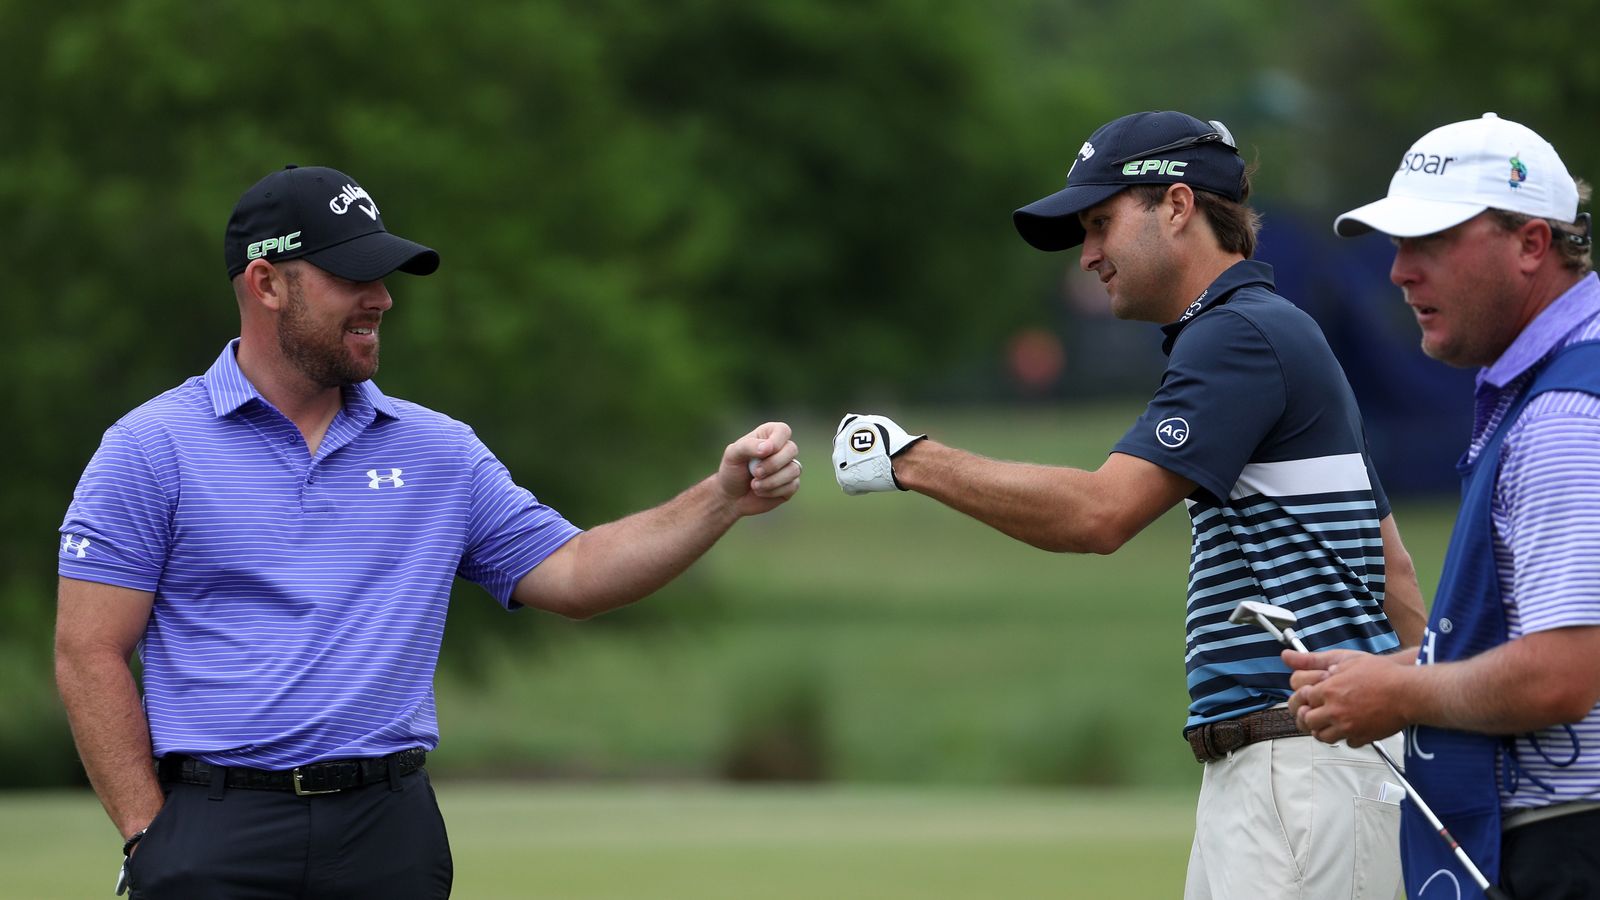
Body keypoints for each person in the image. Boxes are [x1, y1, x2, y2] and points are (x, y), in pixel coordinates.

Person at [54, 164, 802, 899]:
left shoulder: (438, 451)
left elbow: (575, 573)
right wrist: (149, 837)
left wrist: (720, 499)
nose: (380, 299)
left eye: (383, 278)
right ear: (267, 283)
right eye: (351, 276)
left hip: (387, 835)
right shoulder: (151, 448)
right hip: (217, 830)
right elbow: (89, 650)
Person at [832, 110, 1425, 900]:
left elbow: (1098, 515)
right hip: (1293, 773)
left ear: (1177, 207)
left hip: (1296, 772)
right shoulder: (1274, 333)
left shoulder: (1239, 334)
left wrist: (909, 459)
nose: (1089, 256)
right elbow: (1397, 581)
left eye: (1101, 223)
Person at [1289, 113, 1600, 900]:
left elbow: (1563, 675)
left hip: (1573, 842)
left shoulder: (1565, 417)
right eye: (1397, 245)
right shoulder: (1557, 383)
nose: (1398, 271)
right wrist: (1393, 671)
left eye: (1430, 241)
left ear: (1533, 244)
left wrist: (1399, 692)